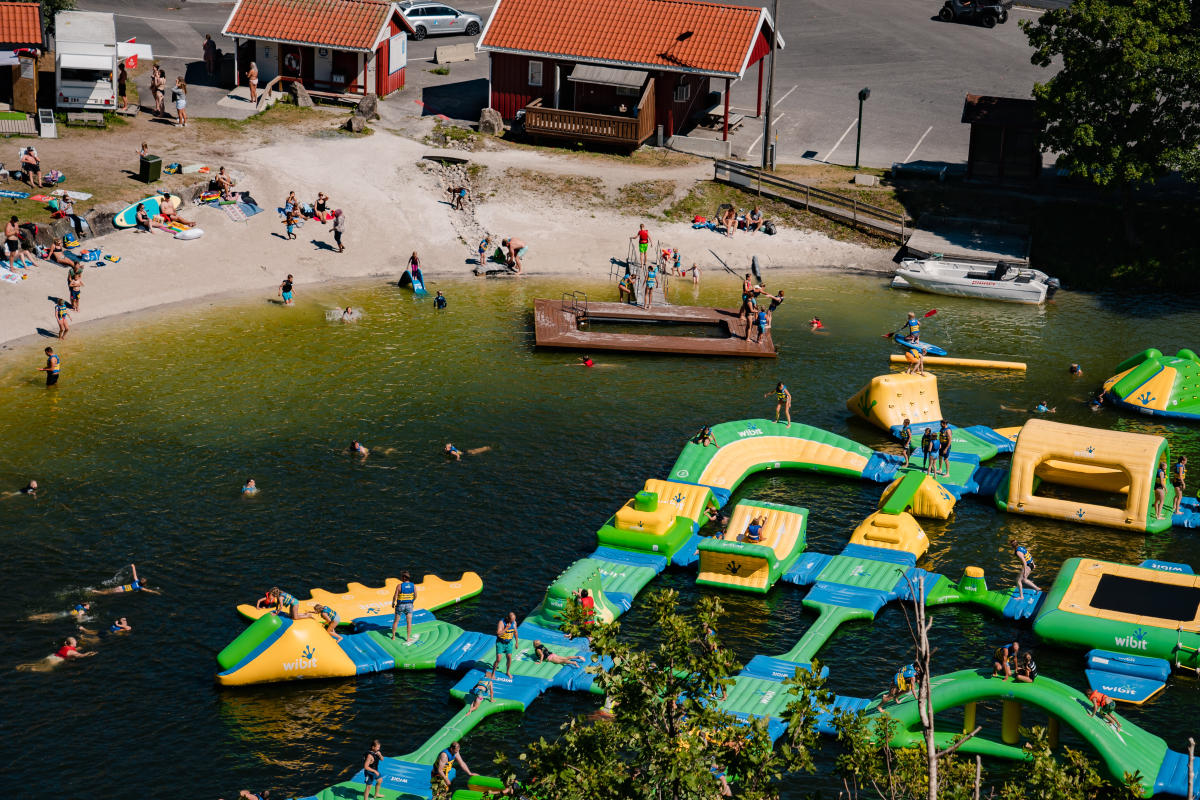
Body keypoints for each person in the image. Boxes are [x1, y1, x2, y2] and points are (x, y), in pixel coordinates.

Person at [91, 564, 161, 595]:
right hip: (122, 590)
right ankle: (95, 592)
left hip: (122, 587)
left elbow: (134, 573)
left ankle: (96, 592)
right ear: (144, 584)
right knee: (106, 593)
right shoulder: (140, 587)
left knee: (108, 590)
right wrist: (156, 592)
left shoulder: (136, 581)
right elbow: (149, 590)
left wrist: (133, 566)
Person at [390, 571, 417, 641]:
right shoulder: (413, 586)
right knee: (409, 623)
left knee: (396, 621)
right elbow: (415, 596)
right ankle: (408, 638)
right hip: (409, 605)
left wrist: (393, 603)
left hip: (400, 605)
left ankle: (393, 637)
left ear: (404, 578)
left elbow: (395, 596)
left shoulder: (399, 586)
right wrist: (411, 601)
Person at [493, 611, 519, 677]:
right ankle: (493, 673)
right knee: (498, 659)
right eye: (512, 620)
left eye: (514, 619)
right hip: (501, 643)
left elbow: (515, 632)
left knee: (509, 658)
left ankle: (507, 672)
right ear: (508, 618)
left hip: (509, 643)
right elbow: (498, 634)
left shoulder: (514, 622)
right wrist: (506, 628)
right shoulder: (501, 622)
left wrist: (517, 642)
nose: (513, 621)